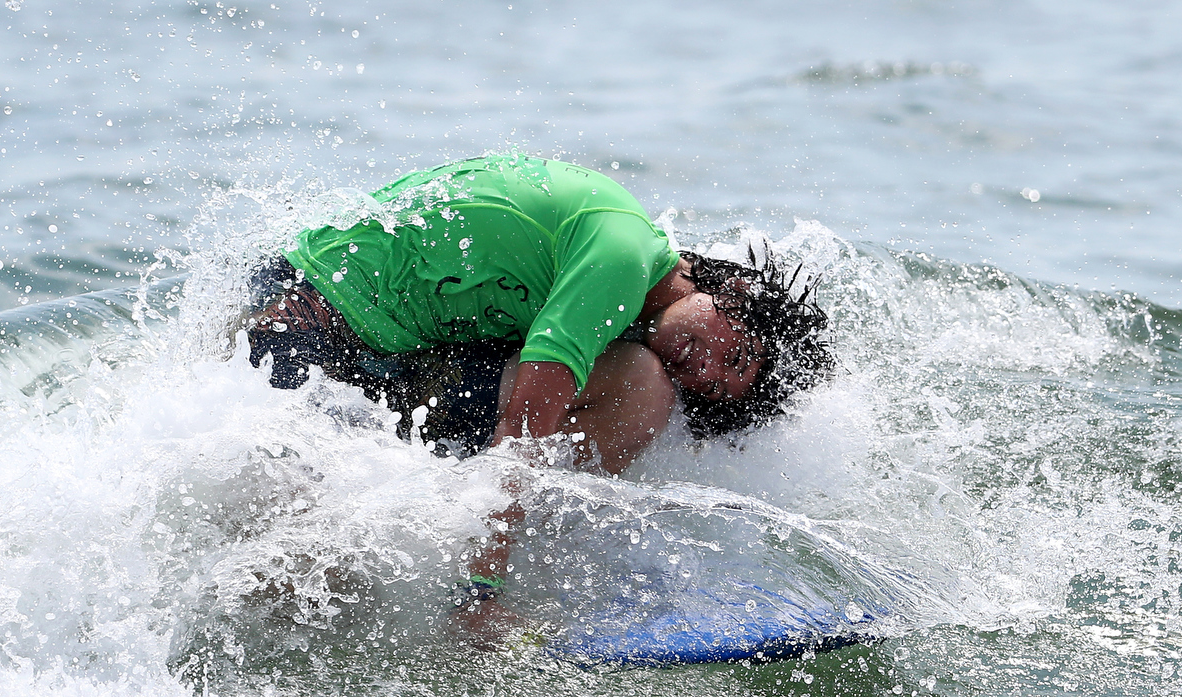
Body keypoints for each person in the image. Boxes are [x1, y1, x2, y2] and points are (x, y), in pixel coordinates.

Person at [241, 154, 830, 641]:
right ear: (735, 289)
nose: (705, 373)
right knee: (641, 390)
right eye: (735, 355)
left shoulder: (630, 267)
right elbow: (524, 429)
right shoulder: (621, 262)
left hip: (352, 329)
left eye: (716, 388)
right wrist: (478, 596)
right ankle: (475, 585)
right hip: (305, 323)